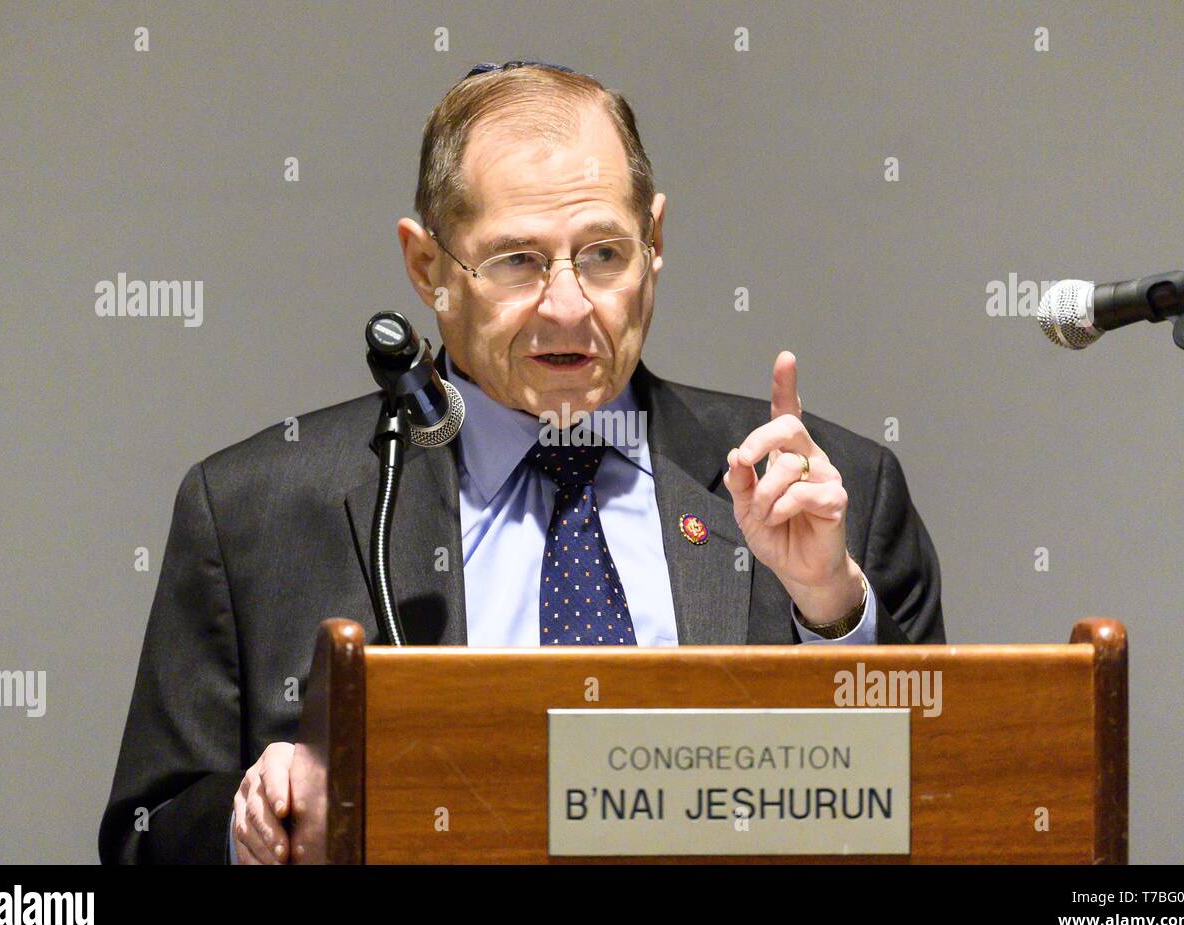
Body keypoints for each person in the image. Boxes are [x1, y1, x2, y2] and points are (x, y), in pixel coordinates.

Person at [99, 60, 944, 865]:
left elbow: (950, 808)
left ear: (654, 241)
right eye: (518, 262)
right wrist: (254, 827)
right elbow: (146, 836)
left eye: (604, 254)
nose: (568, 307)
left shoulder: (831, 493)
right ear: (427, 266)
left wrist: (832, 611)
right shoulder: (257, 511)